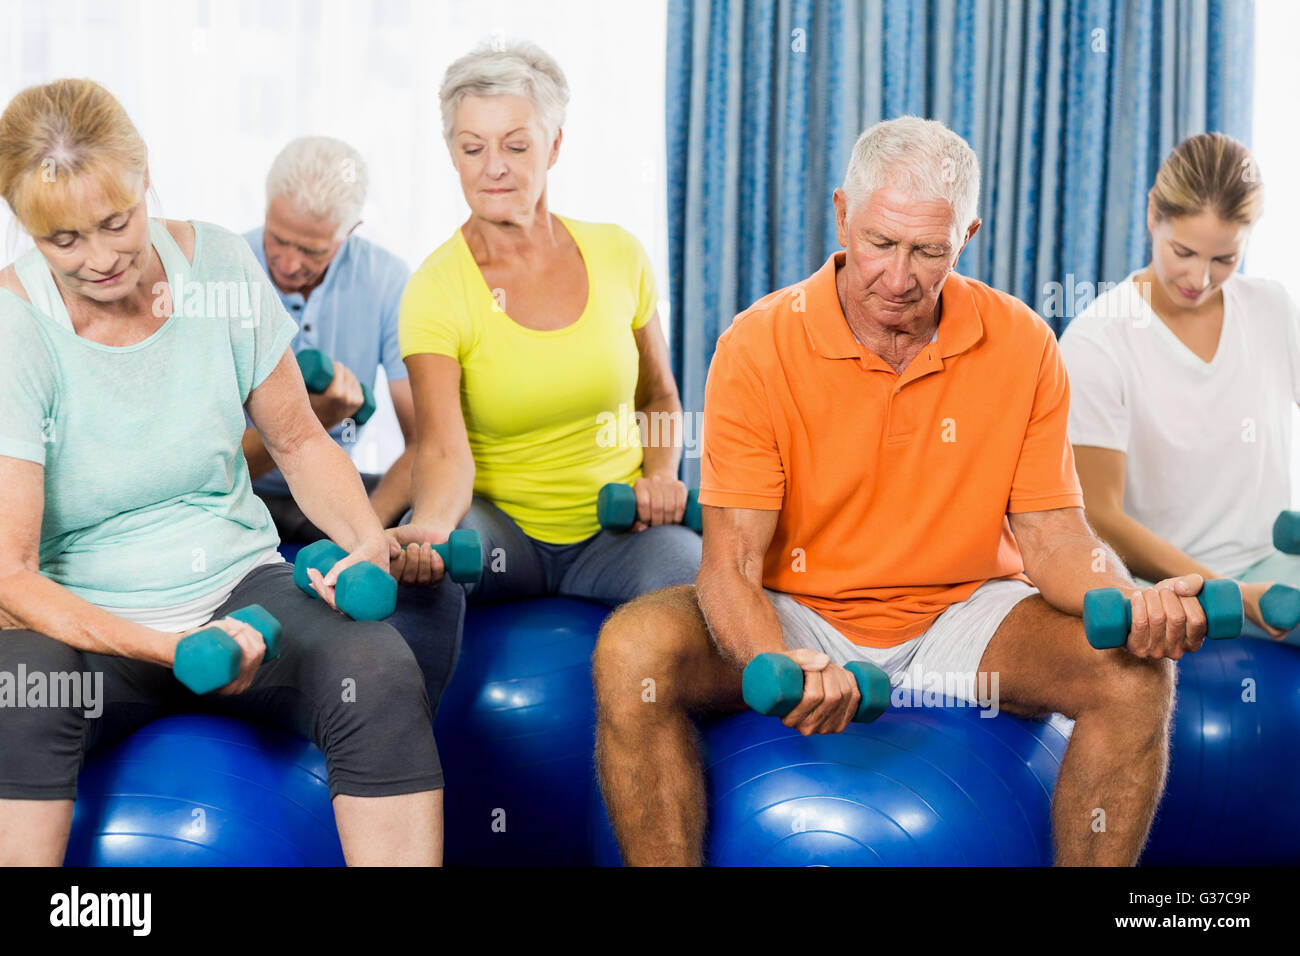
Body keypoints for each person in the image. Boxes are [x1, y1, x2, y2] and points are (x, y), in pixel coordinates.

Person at [591, 116, 1209, 868]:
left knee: (1135, 676)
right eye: (880, 242)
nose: (897, 276)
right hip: (797, 609)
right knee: (632, 649)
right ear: (842, 212)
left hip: (963, 616)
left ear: (968, 234)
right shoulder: (757, 345)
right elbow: (731, 565)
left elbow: (1054, 537)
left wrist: (1131, 594)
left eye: (928, 251)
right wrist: (778, 660)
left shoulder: (1021, 343)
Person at [0, 79, 441, 866]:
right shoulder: (13, 325)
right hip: (90, 618)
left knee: (375, 668)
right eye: (64, 240)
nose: (99, 259)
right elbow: (15, 574)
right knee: (23, 688)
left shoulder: (221, 265)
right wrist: (170, 649)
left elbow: (301, 442)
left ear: (146, 181)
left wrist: (367, 540)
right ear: (24, 224)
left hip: (240, 588)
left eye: (116, 222)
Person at [386, 42, 700, 710]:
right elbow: (441, 446)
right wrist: (437, 528)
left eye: (516, 145)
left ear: (554, 146)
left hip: (616, 533)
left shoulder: (618, 253)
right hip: (503, 535)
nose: (493, 168)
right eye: (472, 148)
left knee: (703, 587)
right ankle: (397, 766)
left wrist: (661, 476)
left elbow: (659, 394)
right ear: (452, 155)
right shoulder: (437, 289)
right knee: (428, 574)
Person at [1060, 132, 1300, 646]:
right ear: (1153, 214)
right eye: (1183, 251)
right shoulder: (1097, 341)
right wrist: (1228, 592)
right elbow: (1098, 515)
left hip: (1274, 567)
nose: (1200, 278)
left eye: (1225, 260)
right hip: (1170, 587)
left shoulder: (1273, 308)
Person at [243, 136, 416, 541]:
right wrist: (312, 418)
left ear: (349, 232)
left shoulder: (387, 279)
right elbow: (207, 470)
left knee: (429, 520)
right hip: (238, 495)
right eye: (278, 239)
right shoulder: (224, 270)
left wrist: (363, 532)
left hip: (335, 497)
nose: (288, 263)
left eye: (311, 250)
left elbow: (423, 446)